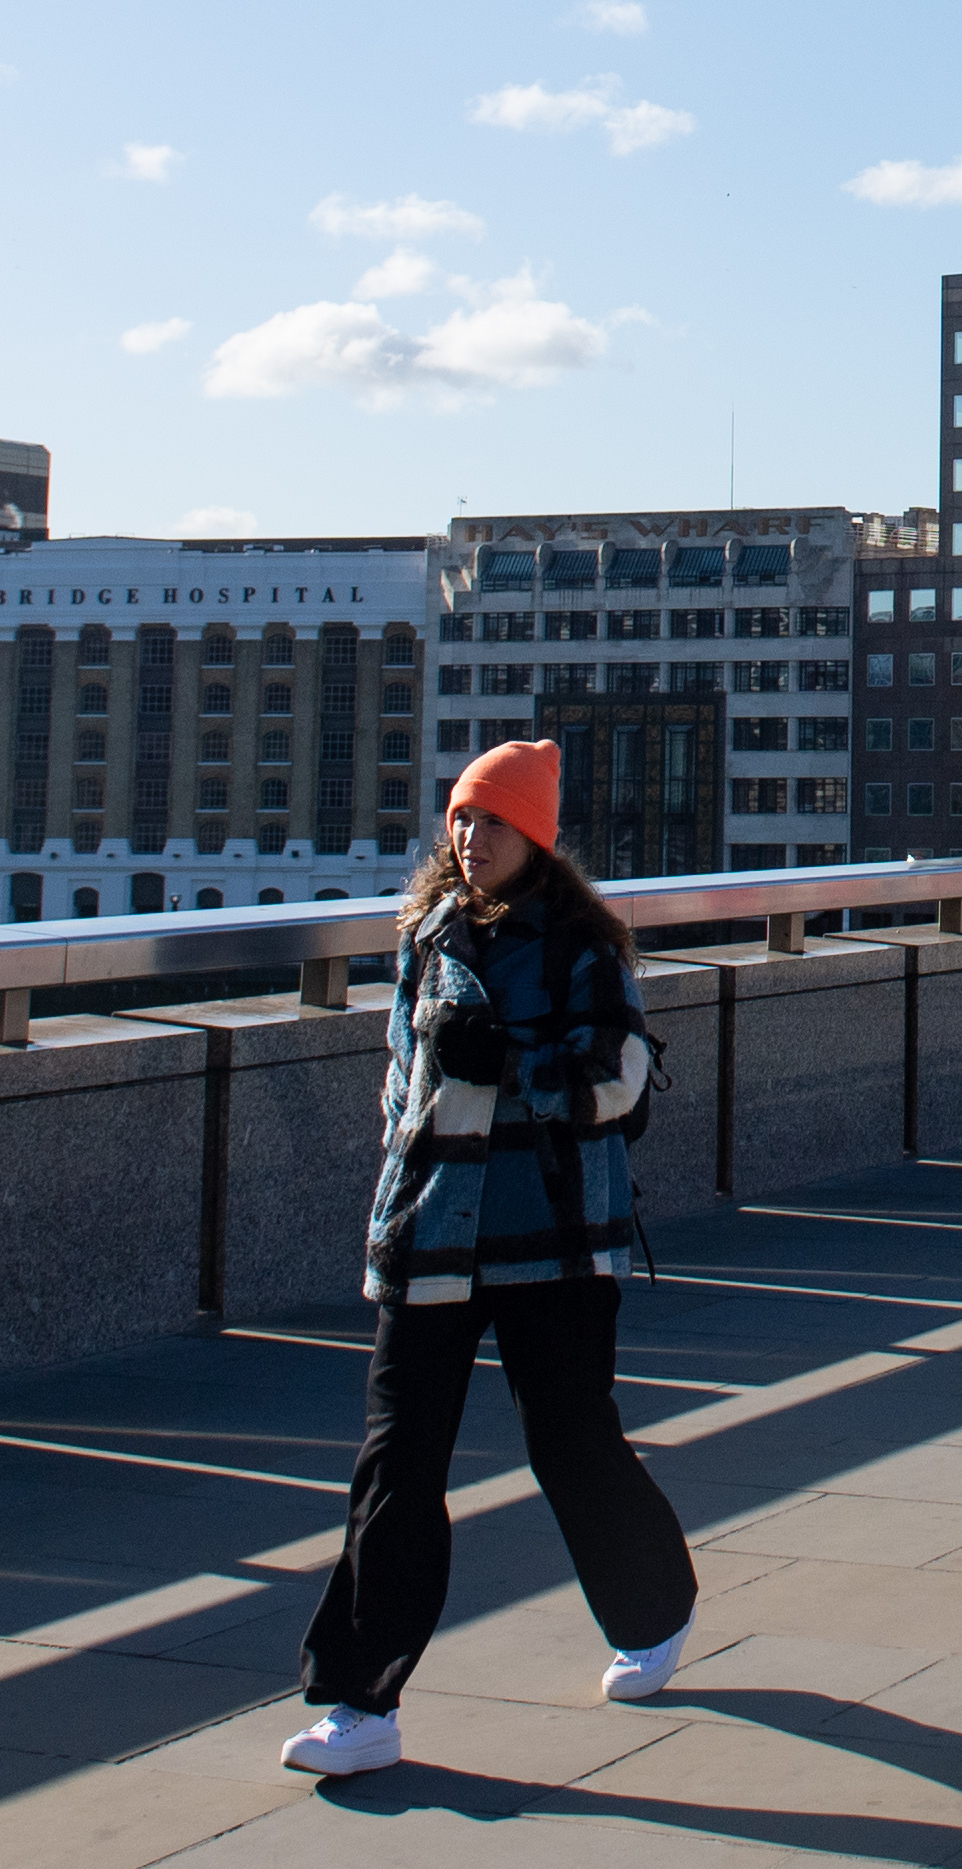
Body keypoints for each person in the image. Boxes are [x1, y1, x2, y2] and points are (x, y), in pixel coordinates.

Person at [283, 739, 697, 1782]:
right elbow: (400, 1079)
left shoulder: (581, 946)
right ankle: (358, 1700)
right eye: (463, 818)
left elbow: (620, 1084)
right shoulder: (423, 934)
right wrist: (399, 1175)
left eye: (495, 822)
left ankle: (654, 1609)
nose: (471, 839)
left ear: (536, 839)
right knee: (396, 1462)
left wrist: (507, 1065)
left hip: (548, 1239)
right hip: (429, 1234)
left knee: (569, 1439)